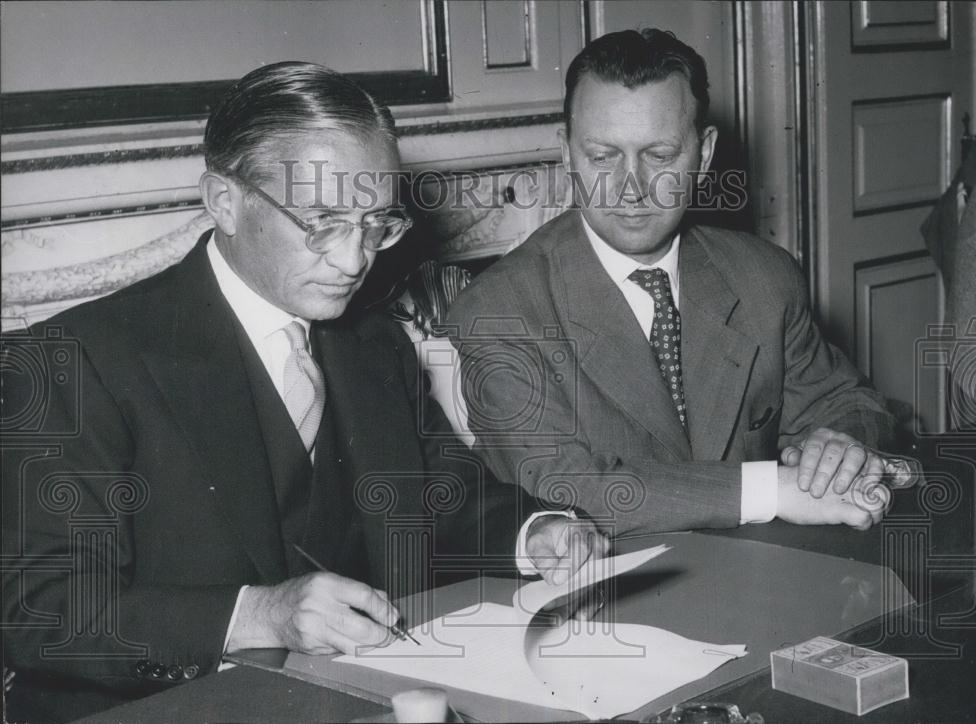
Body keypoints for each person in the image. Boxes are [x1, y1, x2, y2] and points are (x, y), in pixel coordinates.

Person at [0, 62, 606, 722]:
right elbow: (42, 610)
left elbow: (443, 496)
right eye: (322, 220)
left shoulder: (372, 342)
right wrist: (255, 614)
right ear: (224, 201)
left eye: (377, 224)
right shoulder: (78, 359)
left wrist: (534, 532)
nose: (354, 260)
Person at [446, 29, 897, 536]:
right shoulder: (500, 309)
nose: (632, 188)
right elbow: (564, 488)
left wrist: (837, 447)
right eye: (602, 157)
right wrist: (775, 489)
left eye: (659, 156)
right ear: (566, 152)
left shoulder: (764, 277)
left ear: (703, 156)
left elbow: (850, 403)